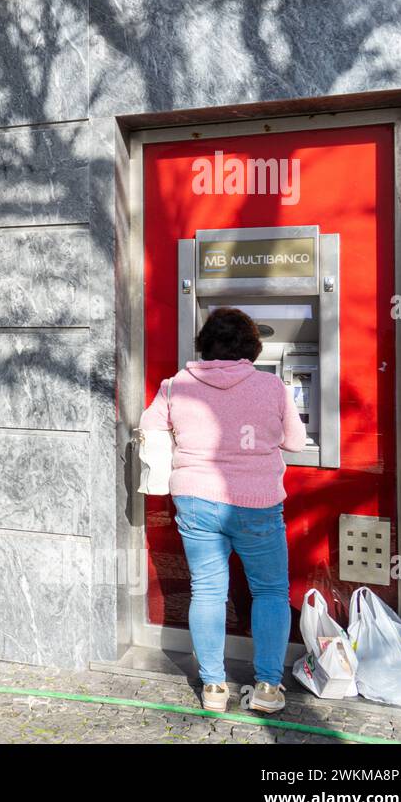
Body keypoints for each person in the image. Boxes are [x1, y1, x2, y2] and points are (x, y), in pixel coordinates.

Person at [139, 306, 307, 714]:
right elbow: (297, 443)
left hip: (196, 500)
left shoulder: (176, 385)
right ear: (251, 346)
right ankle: (267, 687)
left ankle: (214, 687)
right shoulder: (270, 387)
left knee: (207, 590)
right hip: (257, 504)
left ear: (204, 344)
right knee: (269, 591)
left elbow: (149, 425)